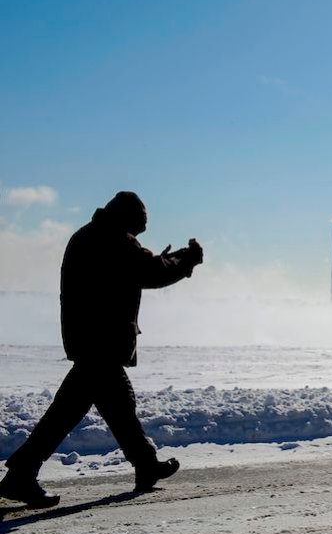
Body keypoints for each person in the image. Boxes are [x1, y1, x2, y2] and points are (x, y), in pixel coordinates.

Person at [0, 192, 203, 508]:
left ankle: (145, 464)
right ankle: (21, 474)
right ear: (129, 219)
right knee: (66, 414)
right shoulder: (113, 238)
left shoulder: (91, 234)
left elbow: (141, 264)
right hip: (100, 342)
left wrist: (171, 258)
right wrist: (186, 260)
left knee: (119, 405)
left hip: (89, 339)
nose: (137, 235)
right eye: (138, 228)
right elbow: (150, 271)